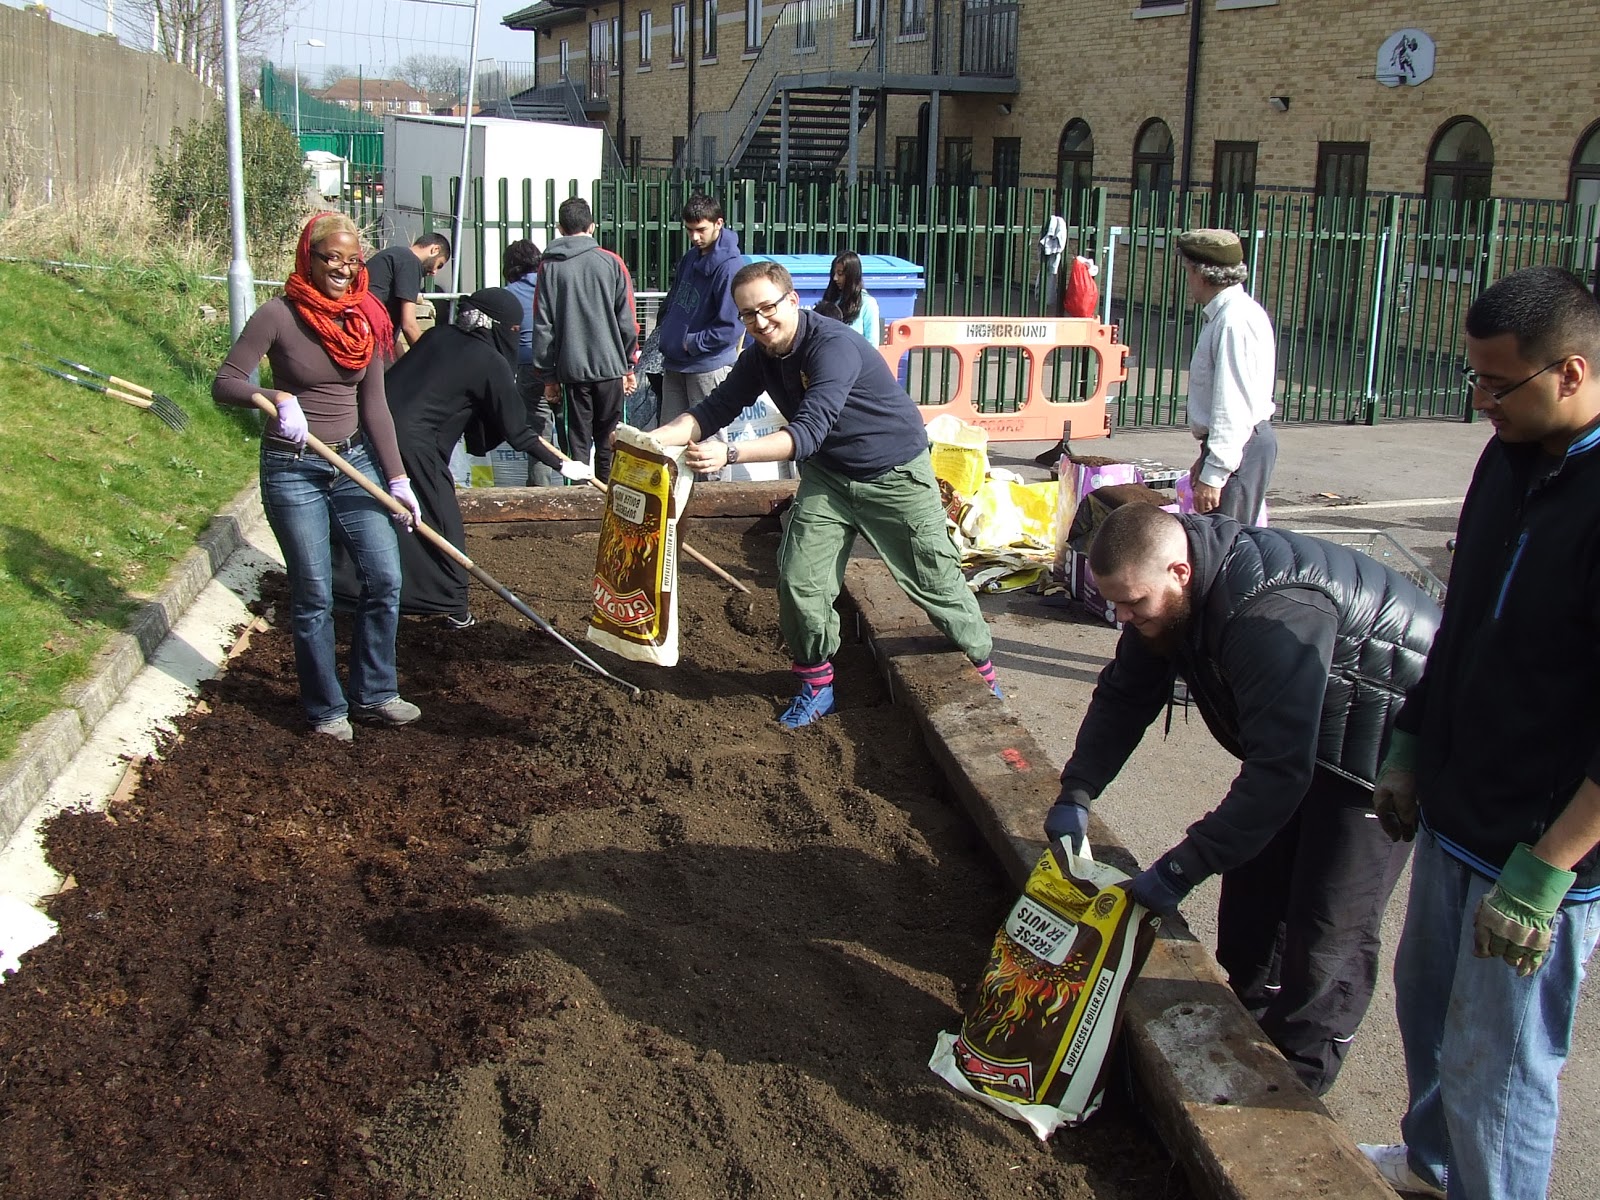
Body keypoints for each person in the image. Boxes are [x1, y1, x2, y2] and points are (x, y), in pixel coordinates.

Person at [1044, 503, 1438, 1096]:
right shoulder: (1170, 605)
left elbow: (1279, 775)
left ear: (1180, 573)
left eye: (1133, 604)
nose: (1121, 617)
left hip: (1378, 752)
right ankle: (1248, 1022)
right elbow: (1126, 695)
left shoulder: (1267, 613)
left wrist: (1180, 868)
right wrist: (1077, 789)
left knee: (1327, 926)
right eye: (1114, 604)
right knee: (1253, 900)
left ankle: (1298, 1084)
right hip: (1305, 734)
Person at [1357, 267, 1600, 1200]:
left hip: (1538, 852)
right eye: (1475, 377)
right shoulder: (1507, 459)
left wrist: (1546, 872)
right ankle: (1432, 1169)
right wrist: (1414, 744)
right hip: (1461, 809)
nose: (1479, 399)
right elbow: (1463, 626)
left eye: (1500, 383)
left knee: (1499, 1069)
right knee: (1429, 1019)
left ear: (1571, 373)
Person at [652, 260, 1003, 727]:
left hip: (894, 473)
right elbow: (714, 408)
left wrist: (729, 455)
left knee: (935, 580)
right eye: (747, 315)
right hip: (829, 479)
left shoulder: (831, 346)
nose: (759, 322)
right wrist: (650, 441)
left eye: (767, 308)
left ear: (792, 300)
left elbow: (808, 432)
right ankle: (816, 685)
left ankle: (981, 669)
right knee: (800, 581)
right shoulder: (760, 354)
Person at [212, 211, 424, 742]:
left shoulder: (367, 317)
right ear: (311, 257)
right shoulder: (278, 315)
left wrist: (397, 479)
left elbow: (374, 405)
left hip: (356, 465)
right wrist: (275, 397)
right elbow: (226, 381)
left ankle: (375, 694)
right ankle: (327, 708)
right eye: (333, 258)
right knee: (313, 591)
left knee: (386, 577)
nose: (344, 269)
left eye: (353, 261)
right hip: (294, 468)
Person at [333, 288, 593, 628]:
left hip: (373, 430)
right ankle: (451, 604)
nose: (515, 336)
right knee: (441, 522)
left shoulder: (438, 335)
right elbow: (518, 431)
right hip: (414, 445)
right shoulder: (489, 361)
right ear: (498, 327)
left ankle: (347, 587)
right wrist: (562, 464)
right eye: (514, 329)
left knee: (380, 514)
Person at [529, 196, 639, 482]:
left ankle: (578, 501)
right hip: (611, 369)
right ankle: (610, 500)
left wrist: (548, 377)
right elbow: (628, 320)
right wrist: (628, 366)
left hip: (571, 371)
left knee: (576, 443)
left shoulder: (549, 268)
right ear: (592, 226)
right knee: (612, 440)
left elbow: (543, 325)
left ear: (559, 228)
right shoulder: (612, 262)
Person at [1177, 228, 1277, 522]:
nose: (1188, 280)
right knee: (1225, 540)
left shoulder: (1234, 321)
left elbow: (1232, 404)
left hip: (1242, 443)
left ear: (1201, 273)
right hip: (1237, 444)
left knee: (1227, 543)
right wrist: (1206, 458)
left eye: (1188, 271)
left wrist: (1215, 472)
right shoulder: (1228, 315)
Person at [655, 193, 745, 425]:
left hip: (708, 366)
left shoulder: (730, 268)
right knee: (669, 437)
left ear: (719, 224)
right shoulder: (690, 258)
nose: (694, 237)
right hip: (675, 362)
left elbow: (732, 326)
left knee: (707, 441)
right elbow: (675, 302)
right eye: (689, 230)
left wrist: (691, 343)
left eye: (701, 230)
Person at [503, 238, 562, 487]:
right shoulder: (554, 286)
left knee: (539, 434)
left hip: (529, 367)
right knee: (572, 431)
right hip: (563, 364)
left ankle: (541, 491)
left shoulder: (508, 294)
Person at [365, 232, 452, 354]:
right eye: (439, 265)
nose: (434, 272)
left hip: (372, 334)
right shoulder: (411, 261)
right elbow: (409, 325)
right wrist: (431, 358)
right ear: (435, 249)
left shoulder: (397, 255)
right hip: (372, 340)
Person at [819, 250, 882, 345]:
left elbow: (872, 344)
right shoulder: (833, 298)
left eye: (840, 274)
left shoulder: (868, 304)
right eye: (834, 274)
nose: (835, 278)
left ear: (851, 275)